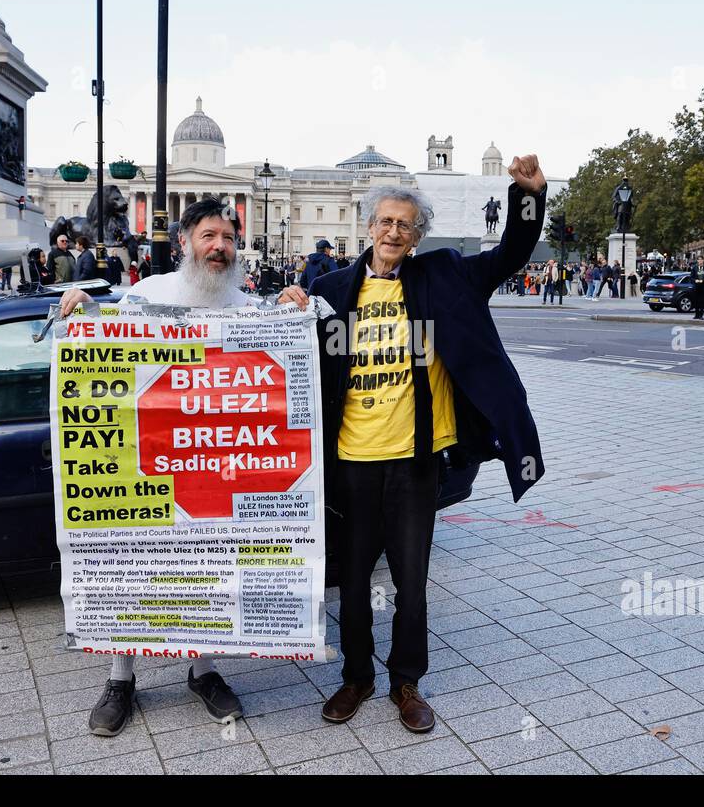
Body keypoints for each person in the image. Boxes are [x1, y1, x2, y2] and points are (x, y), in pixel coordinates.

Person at [308, 154, 547, 735]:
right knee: (355, 579)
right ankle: (357, 675)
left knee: (412, 580)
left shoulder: (442, 276)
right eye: (385, 222)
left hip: (416, 461)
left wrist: (529, 196)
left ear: (417, 236)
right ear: (368, 227)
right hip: (352, 460)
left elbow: (511, 254)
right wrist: (289, 308)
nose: (393, 233)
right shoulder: (330, 290)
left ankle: (406, 682)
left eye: (405, 226)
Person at [58, 198, 309, 737]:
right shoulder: (147, 295)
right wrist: (84, 310)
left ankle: (204, 669)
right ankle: (120, 677)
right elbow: (107, 348)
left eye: (228, 238)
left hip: (214, 468)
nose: (219, 247)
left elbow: (283, 362)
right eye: (209, 236)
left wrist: (294, 308)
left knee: (211, 568)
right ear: (185, 243)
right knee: (133, 567)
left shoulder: (245, 306)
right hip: (148, 466)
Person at [690, 255, 704, 320]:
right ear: (697, 261)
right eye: (699, 259)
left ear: (703, 260)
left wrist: (703, 281)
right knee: (696, 301)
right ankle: (696, 314)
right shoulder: (694, 268)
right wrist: (695, 280)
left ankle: (701, 315)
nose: (700, 261)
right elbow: (691, 277)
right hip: (696, 286)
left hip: (703, 286)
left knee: (702, 301)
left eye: (701, 259)